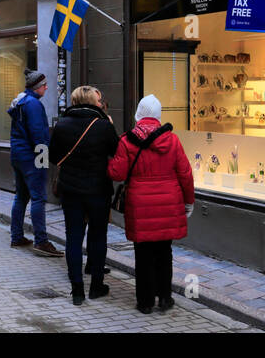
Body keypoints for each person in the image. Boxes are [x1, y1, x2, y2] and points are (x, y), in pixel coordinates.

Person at [108, 94, 195, 314]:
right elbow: (185, 173)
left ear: (139, 114)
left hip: (140, 204)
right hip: (169, 202)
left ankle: (145, 302)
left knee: (143, 254)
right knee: (164, 253)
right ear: (158, 116)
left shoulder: (127, 140)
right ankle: (165, 298)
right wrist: (189, 201)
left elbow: (117, 173)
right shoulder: (172, 140)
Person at [49, 85, 119, 305]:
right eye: (98, 100)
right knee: (98, 237)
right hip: (98, 190)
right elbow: (116, 152)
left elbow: (53, 156)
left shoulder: (62, 124)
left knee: (73, 237)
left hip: (71, 191)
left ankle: (77, 289)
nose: (101, 103)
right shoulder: (103, 126)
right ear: (90, 101)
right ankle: (96, 286)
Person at [7, 70, 63, 257]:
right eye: (44, 85)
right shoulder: (33, 105)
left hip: (18, 155)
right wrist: (44, 159)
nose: (46, 87)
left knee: (21, 196)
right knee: (38, 197)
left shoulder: (22, 102)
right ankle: (41, 241)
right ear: (36, 87)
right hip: (32, 157)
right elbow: (38, 134)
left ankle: (16, 236)